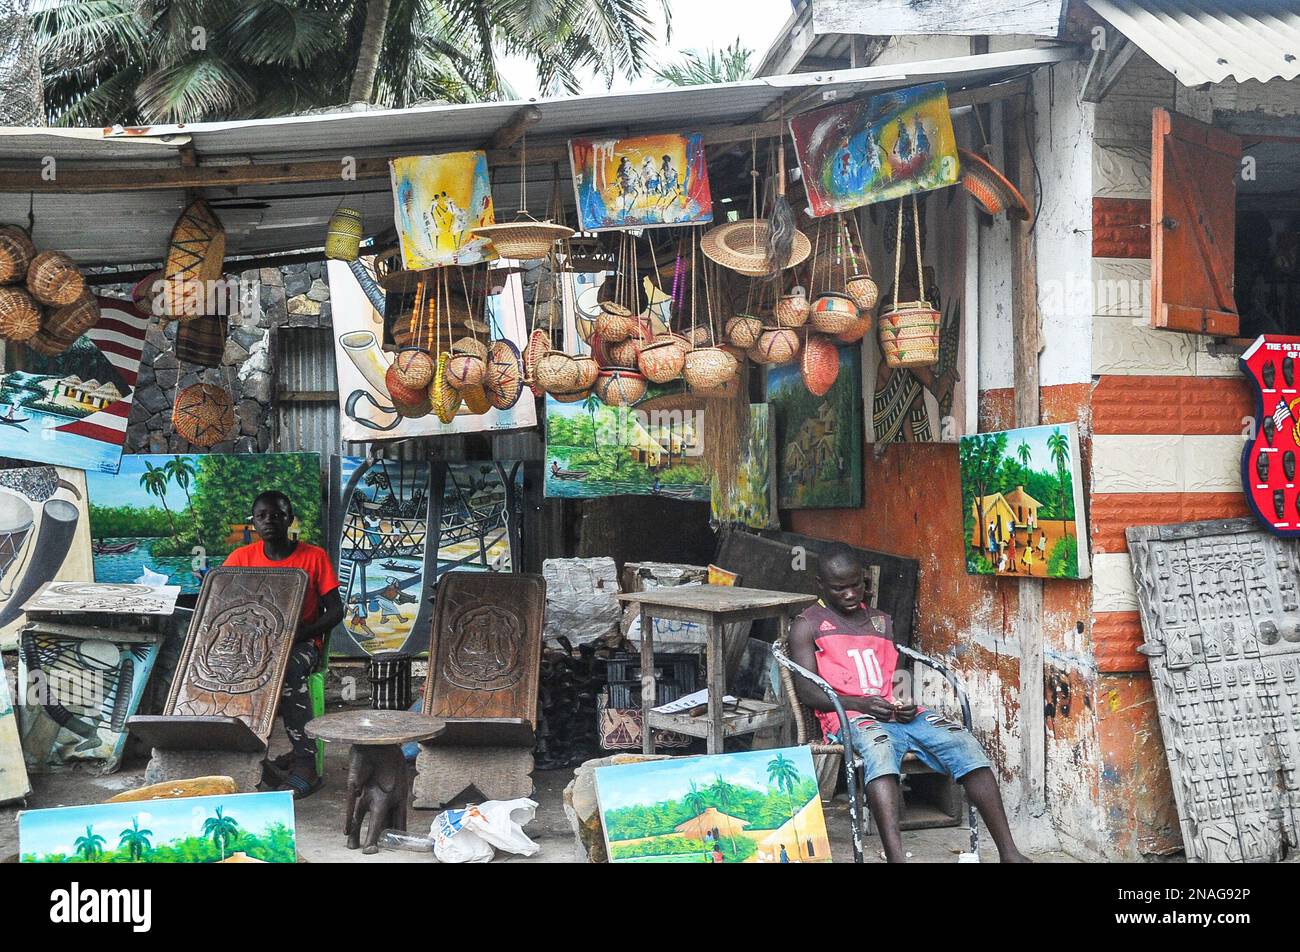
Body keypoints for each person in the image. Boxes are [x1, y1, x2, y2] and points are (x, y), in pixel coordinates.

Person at [788, 547, 1029, 862]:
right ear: (820, 584)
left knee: (962, 742)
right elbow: (808, 691)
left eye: (856, 585)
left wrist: (906, 703)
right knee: (880, 749)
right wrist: (859, 702)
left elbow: (897, 675)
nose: (850, 594)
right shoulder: (807, 624)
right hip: (848, 716)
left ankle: (1009, 853)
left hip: (894, 714)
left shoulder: (880, 621)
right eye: (839, 588)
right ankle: (896, 858)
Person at [224, 490, 344, 799]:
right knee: (225, 672)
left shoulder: (313, 556)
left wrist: (297, 635)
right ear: (253, 522)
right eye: (262, 516)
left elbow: (335, 611)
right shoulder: (241, 558)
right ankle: (252, 760)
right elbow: (223, 601)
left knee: (287, 671)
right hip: (254, 644)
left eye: (276, 515)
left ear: (289, 519)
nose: (269, 521)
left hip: (302, 645)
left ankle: (306, 765)